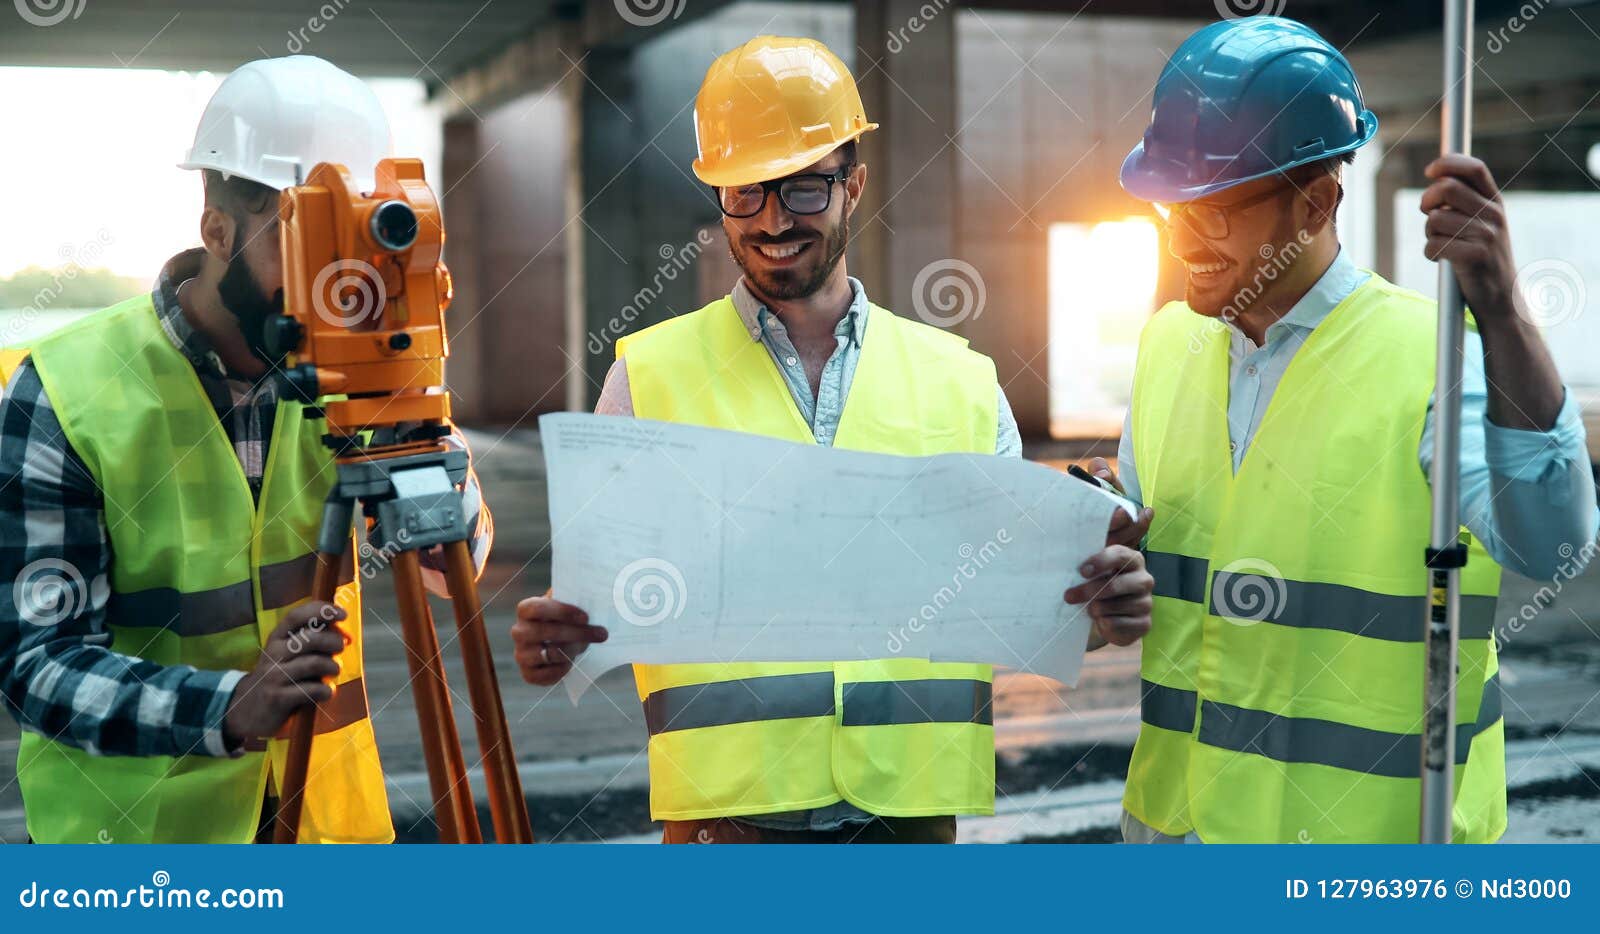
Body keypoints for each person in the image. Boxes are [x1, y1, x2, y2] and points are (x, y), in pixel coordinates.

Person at [513, 35, 1155, 843]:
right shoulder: (647, 381)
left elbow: (1021, 611)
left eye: (805, 187)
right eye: (747, 191)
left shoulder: (960, 385)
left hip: (908, 829)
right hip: (727, 832)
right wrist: (555, 642)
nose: (774, 219)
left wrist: (1099, 613)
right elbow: (600, 608)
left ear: (854, 184)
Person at [1110, 16, 1597, 843]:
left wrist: (1504, 313)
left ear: (1317, 202)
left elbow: (1553, 545)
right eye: (1171, 208)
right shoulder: (1165, 345)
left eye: (1215, 209)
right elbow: (1135, 578)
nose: (1184, 240)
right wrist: (1106, 587)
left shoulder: (1430, 356)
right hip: (1173, 842)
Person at [0, 55, 493, 843]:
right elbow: (35, 664)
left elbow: (452, 564)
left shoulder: (361, 360)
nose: (330, 285)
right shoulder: (65, 391)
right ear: (217, 230)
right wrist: (226, 707)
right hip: (143, 851)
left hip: (328, 836)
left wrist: (418, 419)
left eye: (348, 245)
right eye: (303, 244)